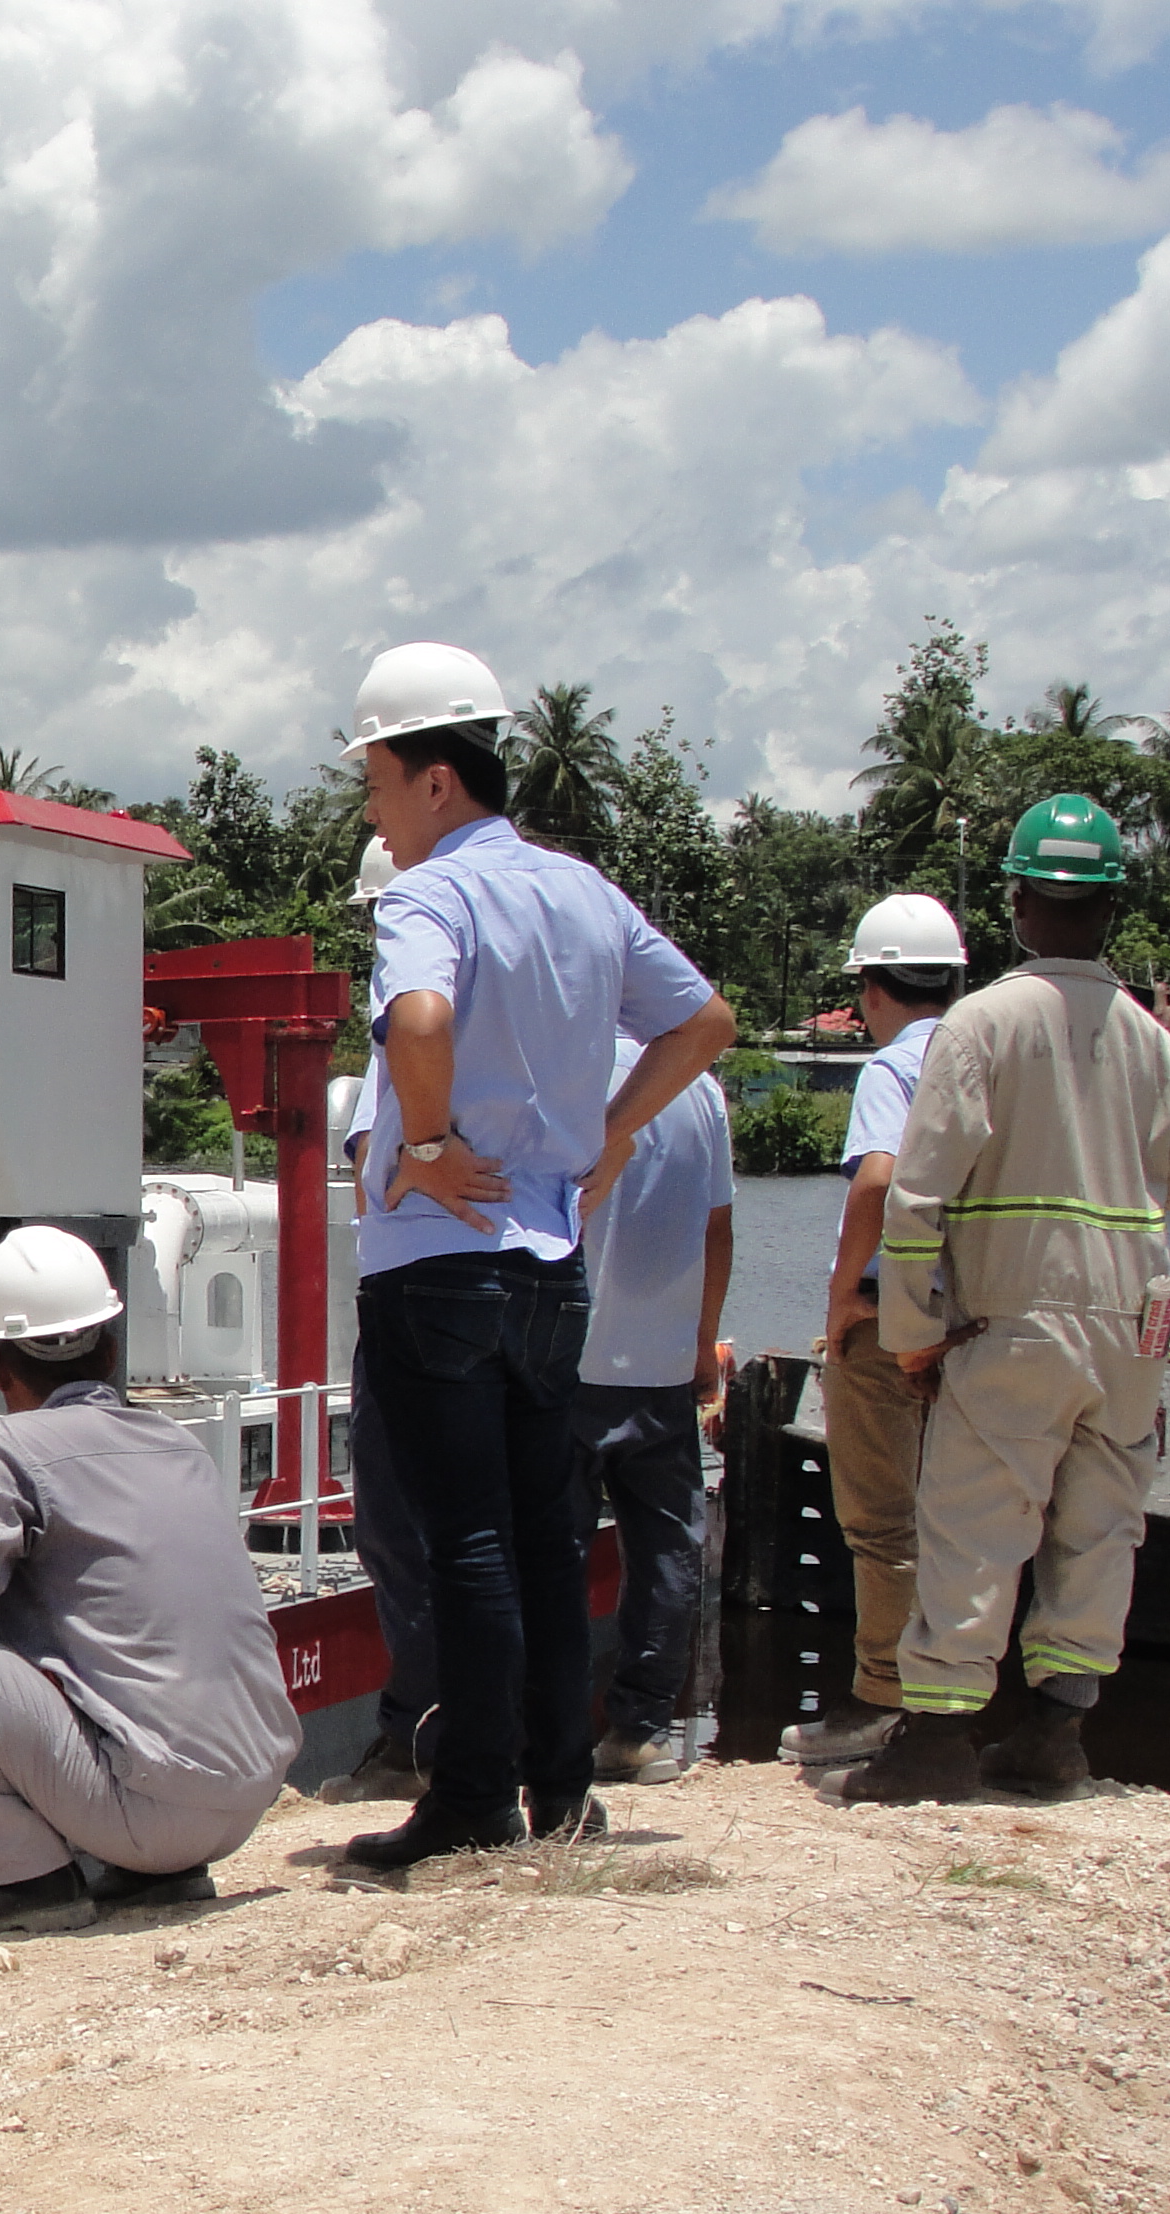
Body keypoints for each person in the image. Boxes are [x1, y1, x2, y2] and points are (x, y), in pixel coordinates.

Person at [334, 642, 734, 1870]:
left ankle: (468, 1797)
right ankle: (562, 1787)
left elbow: (421, 1016)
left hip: (438, 1256)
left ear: (437, 781)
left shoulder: (427, 896)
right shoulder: (585, 894)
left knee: (462, 1538)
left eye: (380, 783)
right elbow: (704, 1021)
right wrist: (604, 1140)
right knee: (545, 1535)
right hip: (554, 1261)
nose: (375, 813)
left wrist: (438, 1140)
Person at [841, 795, 1170, 1805]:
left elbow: (917, 1198)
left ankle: (937, 1739)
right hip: (1133, 1314)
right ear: (1112, 905)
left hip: (1015, 1307)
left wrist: (914, 1334)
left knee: (973, 1516)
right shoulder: (1147, 1040)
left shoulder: (981, 1024)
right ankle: (1057, 1731)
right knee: (1101, 1522)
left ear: (1015, 900)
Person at [0, 1225, 302, 1940]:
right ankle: (156, 1878)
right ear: (111, 1350)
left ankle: (17, 1880)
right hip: (246, 1799)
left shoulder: (5, 1448)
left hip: (151, 1808)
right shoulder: (181, 1444)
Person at [782, 895, 964, 1767]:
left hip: (893, 1316)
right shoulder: (986, 1059)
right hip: (975, 1318)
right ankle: (955, 1697)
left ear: (871, 987)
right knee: (965, 1516)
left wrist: (844, 1298)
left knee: (882, 1524)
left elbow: (877, 1183)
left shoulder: (893, 1068)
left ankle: (878, 1705)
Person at [569, 1035, 736, 1784]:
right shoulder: (699, 1088)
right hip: (664, 1364)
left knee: (549, 1554)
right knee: (668, 1552)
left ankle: (552, 1731)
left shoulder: (562, 1068)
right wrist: (702, 1342)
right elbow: (716, 1227)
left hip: (567, 1362)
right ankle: (639, 1731)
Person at [322, 838, 445, 1805]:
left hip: (414, 1298)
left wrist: (420, 1156)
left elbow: (373, 1163)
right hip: (522, 1293)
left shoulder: (410, 1012)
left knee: (403, 1525)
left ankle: (418, 1736)